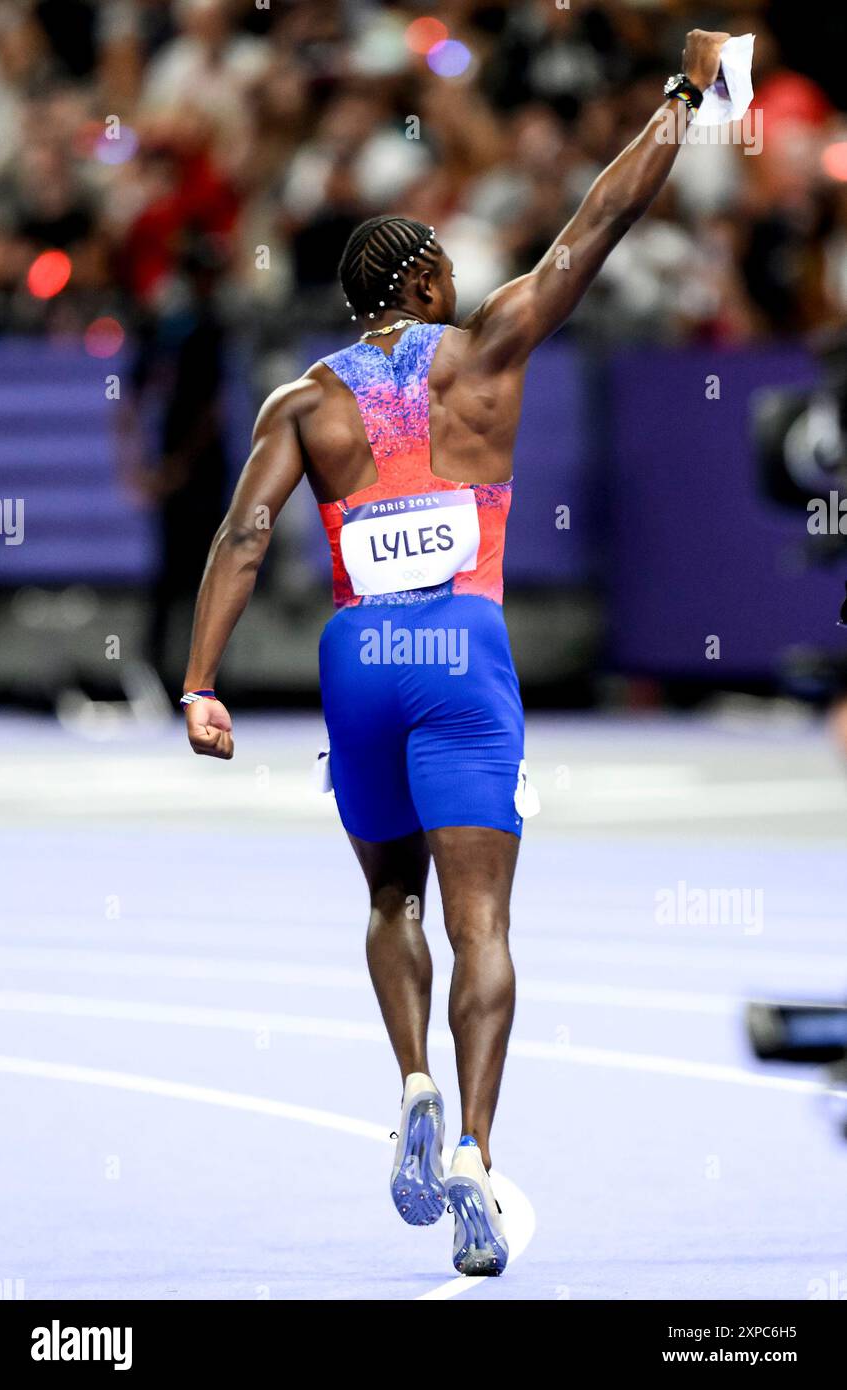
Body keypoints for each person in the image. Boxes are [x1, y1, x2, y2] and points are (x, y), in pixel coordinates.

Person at [180, 30, 729, 1277]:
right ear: (425, 282)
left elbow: (245, 530)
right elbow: (595, 225)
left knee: (390, 895)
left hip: (357, 657)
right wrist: (685, 95)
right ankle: (475, 1145)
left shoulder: (302, 401)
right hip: (461, 647)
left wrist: (202, 682)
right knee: (482, 924)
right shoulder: (484, 347)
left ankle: (414, 1078)